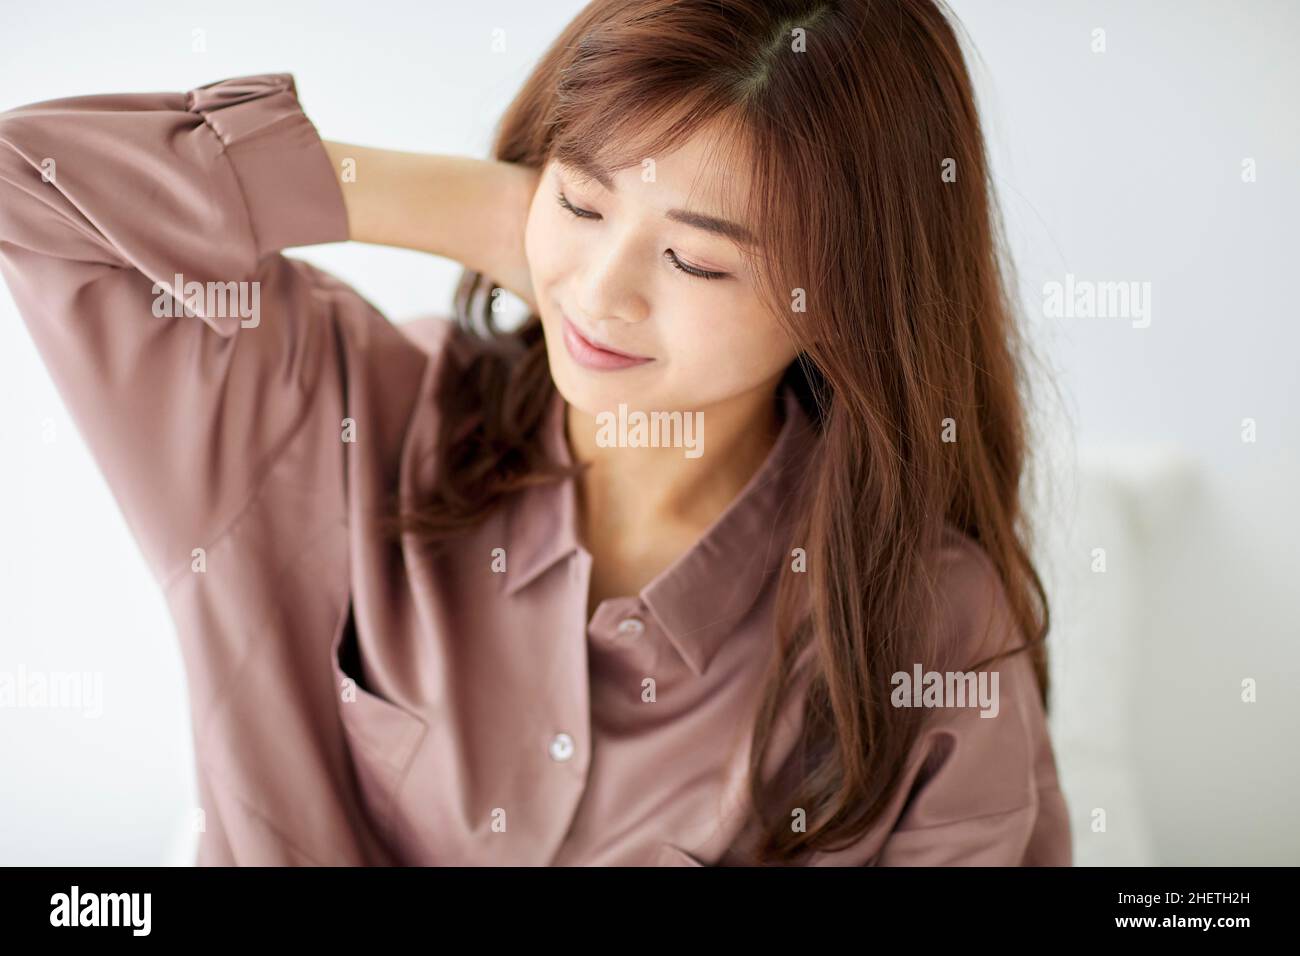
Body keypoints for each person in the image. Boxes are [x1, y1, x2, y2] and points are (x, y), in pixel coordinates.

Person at [0, 0, 1071, 865]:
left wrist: (580, 209)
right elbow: (24, 180)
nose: (601, 295)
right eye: (580, 202)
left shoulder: (929, 628)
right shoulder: (347, 411)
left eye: (698, 260)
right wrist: (477, 213)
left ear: (844, 298)